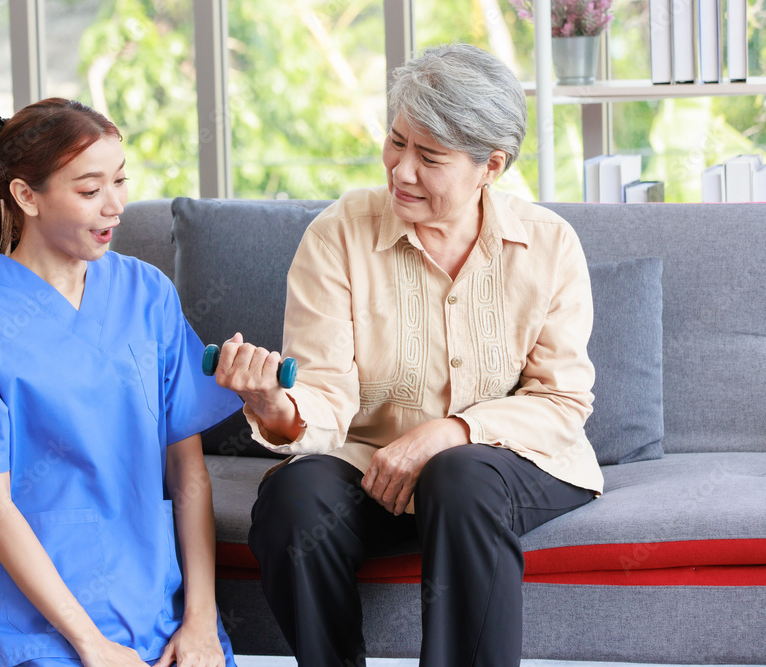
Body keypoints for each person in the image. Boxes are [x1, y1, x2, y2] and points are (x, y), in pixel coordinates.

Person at [212, 44, 604, 667]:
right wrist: (274, 406)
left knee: (460, 473)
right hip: (369, 462)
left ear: (490, 166)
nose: (401, 170)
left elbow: (560, 399)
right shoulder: (339, 234)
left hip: (506, 466)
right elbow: (325, 394)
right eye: (396, 142)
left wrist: (450, 433)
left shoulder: (548, 245)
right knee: (293, 501)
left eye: (430, 157)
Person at [0, 98, 242, 667]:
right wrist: (91, 646)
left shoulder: (148, 293)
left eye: (120, 181)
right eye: (90, 191)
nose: (114, 206)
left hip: (154, 609)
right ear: (26, 196)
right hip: (37, 625)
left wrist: (200, 622)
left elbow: (187, 469)